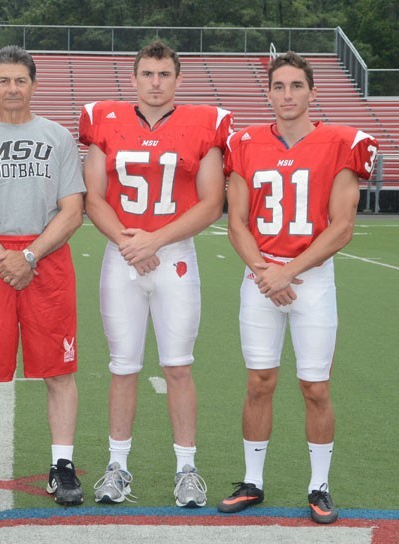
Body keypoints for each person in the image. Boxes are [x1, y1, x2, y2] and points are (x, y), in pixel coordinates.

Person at [218, 51, 378, 524]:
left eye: (296, 86)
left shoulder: (340, 142)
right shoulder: (245, 143)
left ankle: (319, 485)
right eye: (279, 87)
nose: (287, 95)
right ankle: (253, 481)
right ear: (268, 93)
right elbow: (237, 222)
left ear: (312, 92)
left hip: (310, 279)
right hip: (260, 278)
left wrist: (288, 272)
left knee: (315, 387)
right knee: (258, 383)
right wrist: (266, 271)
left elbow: (342, 226)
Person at [78, 40, 232, 508]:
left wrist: (154, 241)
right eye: (148, 73)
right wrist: (130, 244)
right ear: (134, 78)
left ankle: (187, 469)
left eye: (165, 74)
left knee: (178, 367)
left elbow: (211, 202)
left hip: (174, 256)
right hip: (121, 255)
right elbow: (92, 196)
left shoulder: (202, 124)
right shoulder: (105, 120)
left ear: (178, 79)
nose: (156, 82)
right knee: (123, 367)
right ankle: (117, 467)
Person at [0, 45, 86, 508]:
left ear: (34, 85)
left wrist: (28, 255)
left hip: (46, 257)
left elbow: (73, 211)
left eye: (20, 80)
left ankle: (62, 466)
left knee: (59, 370)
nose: (12, 88)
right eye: (3, 80)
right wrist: (4, 257)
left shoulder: (58, 137)